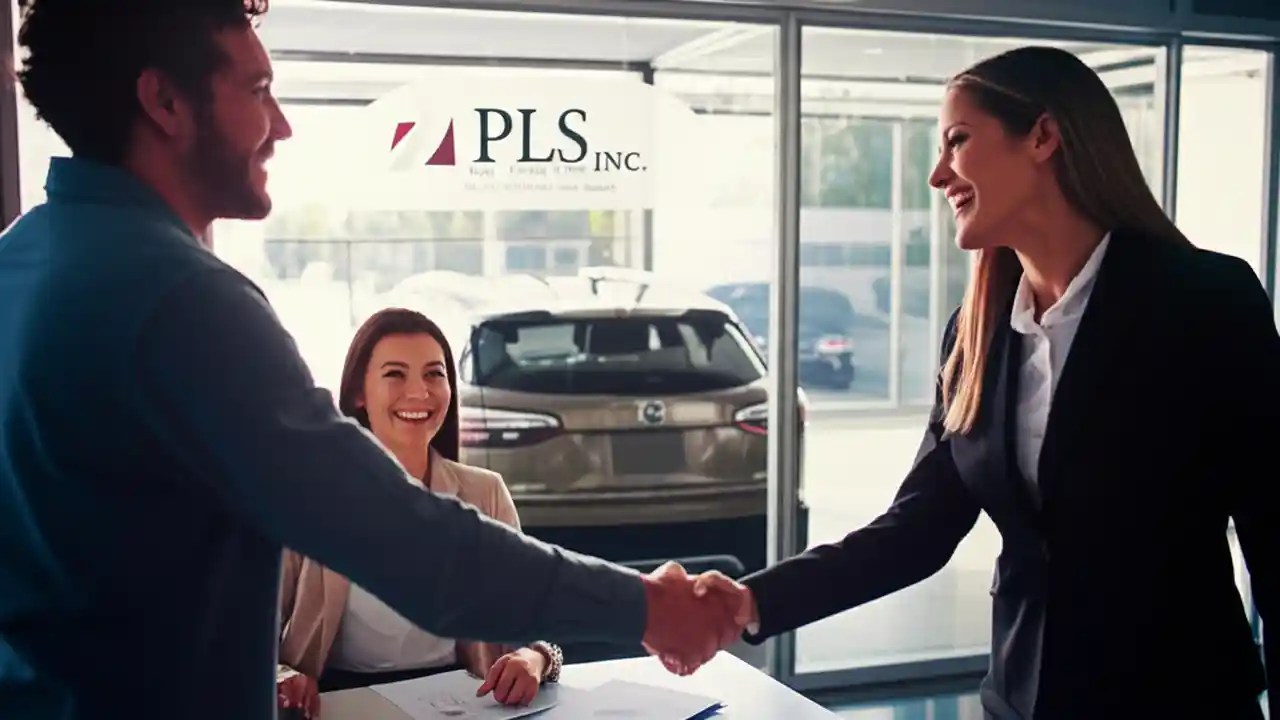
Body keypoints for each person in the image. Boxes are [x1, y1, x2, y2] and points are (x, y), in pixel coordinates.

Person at [0, 2, 739, 718]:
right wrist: (644, 606)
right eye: (258, 91)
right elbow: (405, 542)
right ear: (164, 100)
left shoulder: (20, 265)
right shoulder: (180, 298)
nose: (280, 126)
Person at [688, 46, 1278, 719]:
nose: (939, 175)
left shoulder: (1207, 302)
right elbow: (918, 529)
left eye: (957, 141)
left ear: (1044, 136)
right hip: (1022, 703)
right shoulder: (973, 335)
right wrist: (751, 602)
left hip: (1184, 702)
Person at [276, 309, 562, 717]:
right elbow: (249, 633)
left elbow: (539, 622)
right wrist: (283, 676)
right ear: (359, 392)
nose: (419, 392)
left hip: (458, 701)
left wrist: (534, 660)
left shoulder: (485, 494)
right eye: (395, 374)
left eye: (434, 374)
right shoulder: (305, 498)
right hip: (338, 702)